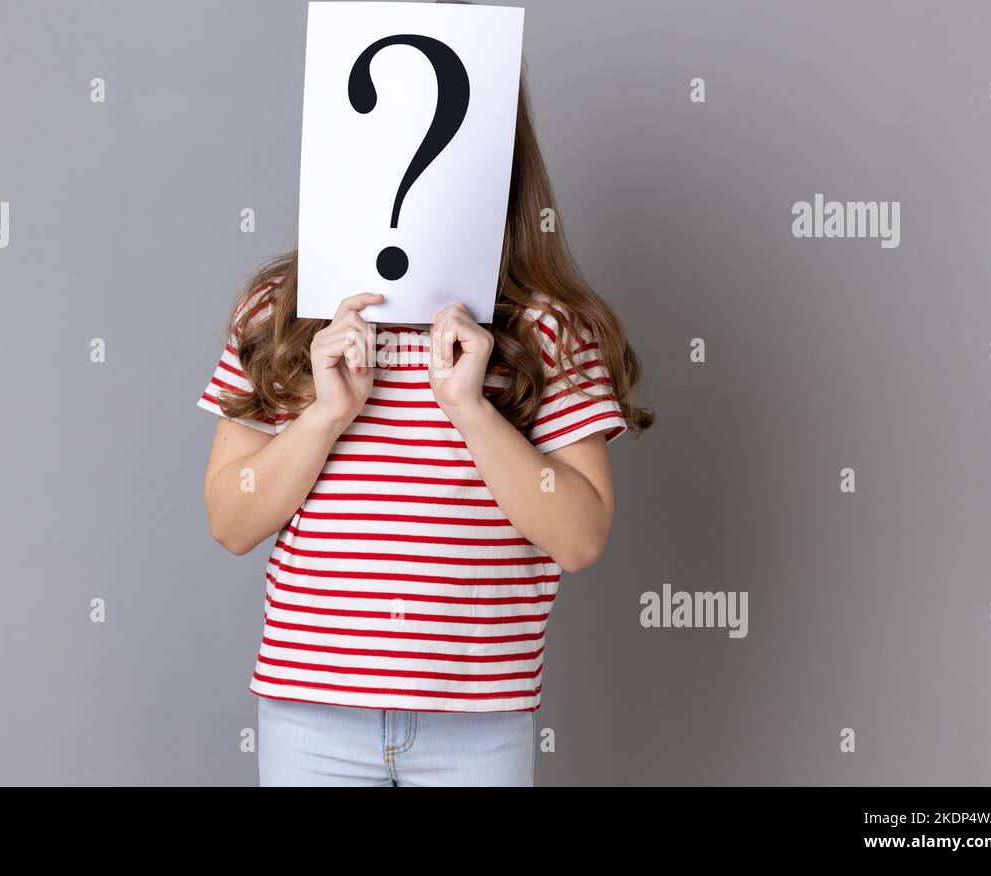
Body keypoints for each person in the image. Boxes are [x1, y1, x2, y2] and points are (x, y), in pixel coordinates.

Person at [198, 67, 653, 787]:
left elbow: (580, 536)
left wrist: (471, 410)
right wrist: (324, 417)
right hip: (311, 718)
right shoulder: (281, 312)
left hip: (477, 724)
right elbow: (231, 520)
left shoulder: (548, 326)